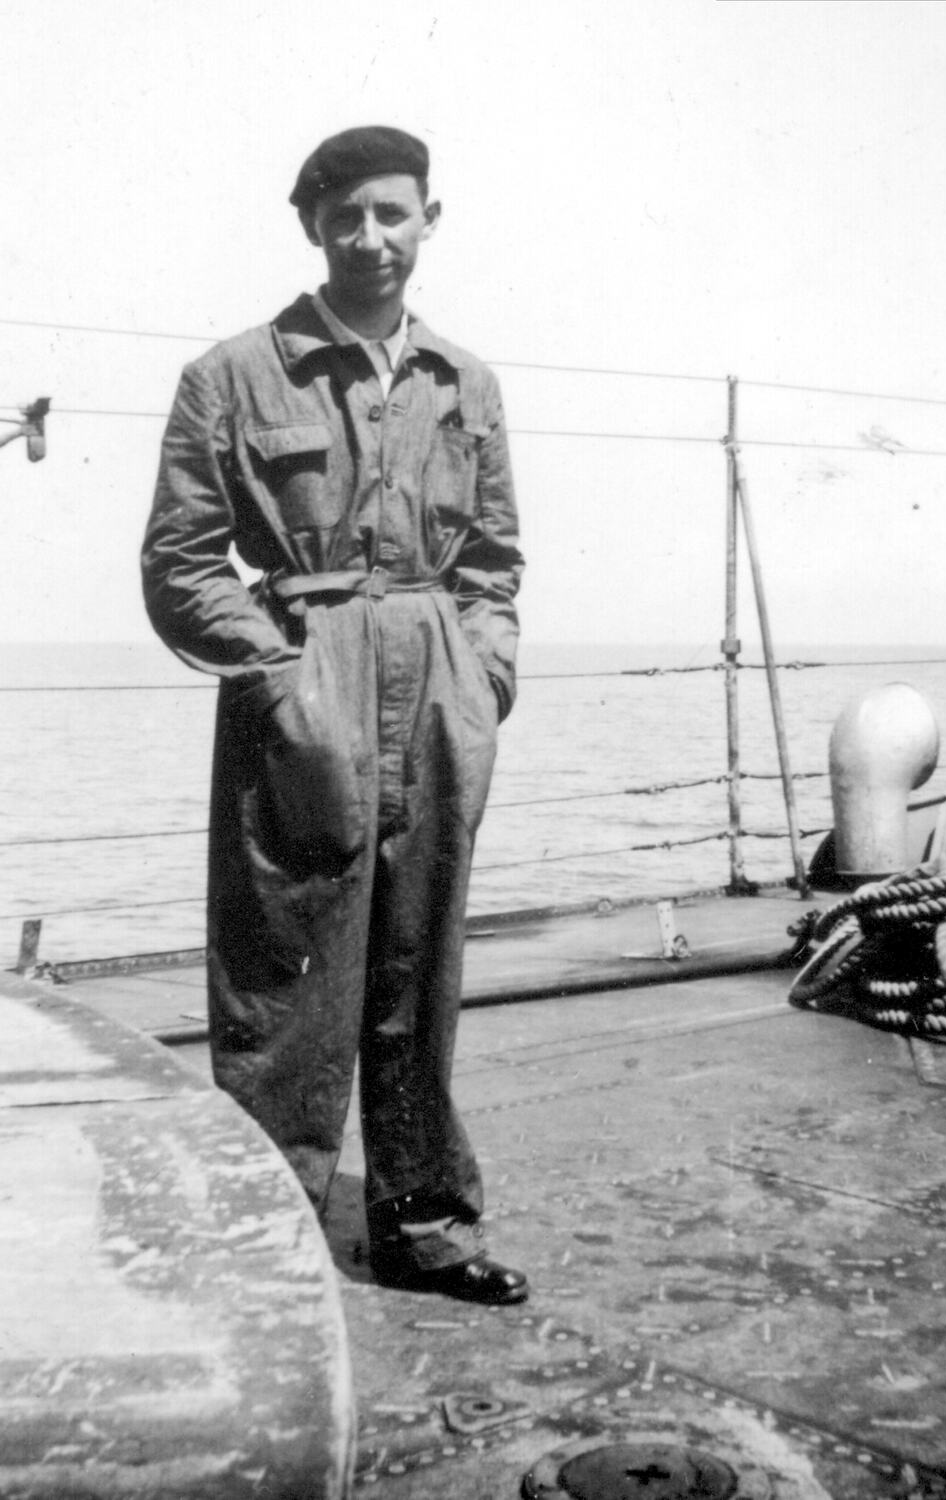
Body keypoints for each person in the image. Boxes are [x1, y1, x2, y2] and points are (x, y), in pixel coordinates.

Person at [142, 126, 527, 1305]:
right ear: (313, 226)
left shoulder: (467, 382)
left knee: (421, 963)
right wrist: (277, 682)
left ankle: (422, 1225)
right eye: (347, 217)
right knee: (283, 979)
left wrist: (484, 678)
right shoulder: (236, 373)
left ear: (428, 220)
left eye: (393, 214)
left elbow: (496, 564)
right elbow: (181, 564)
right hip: (305, 680)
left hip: (436, 687)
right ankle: (266, 1244)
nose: (372, 239)